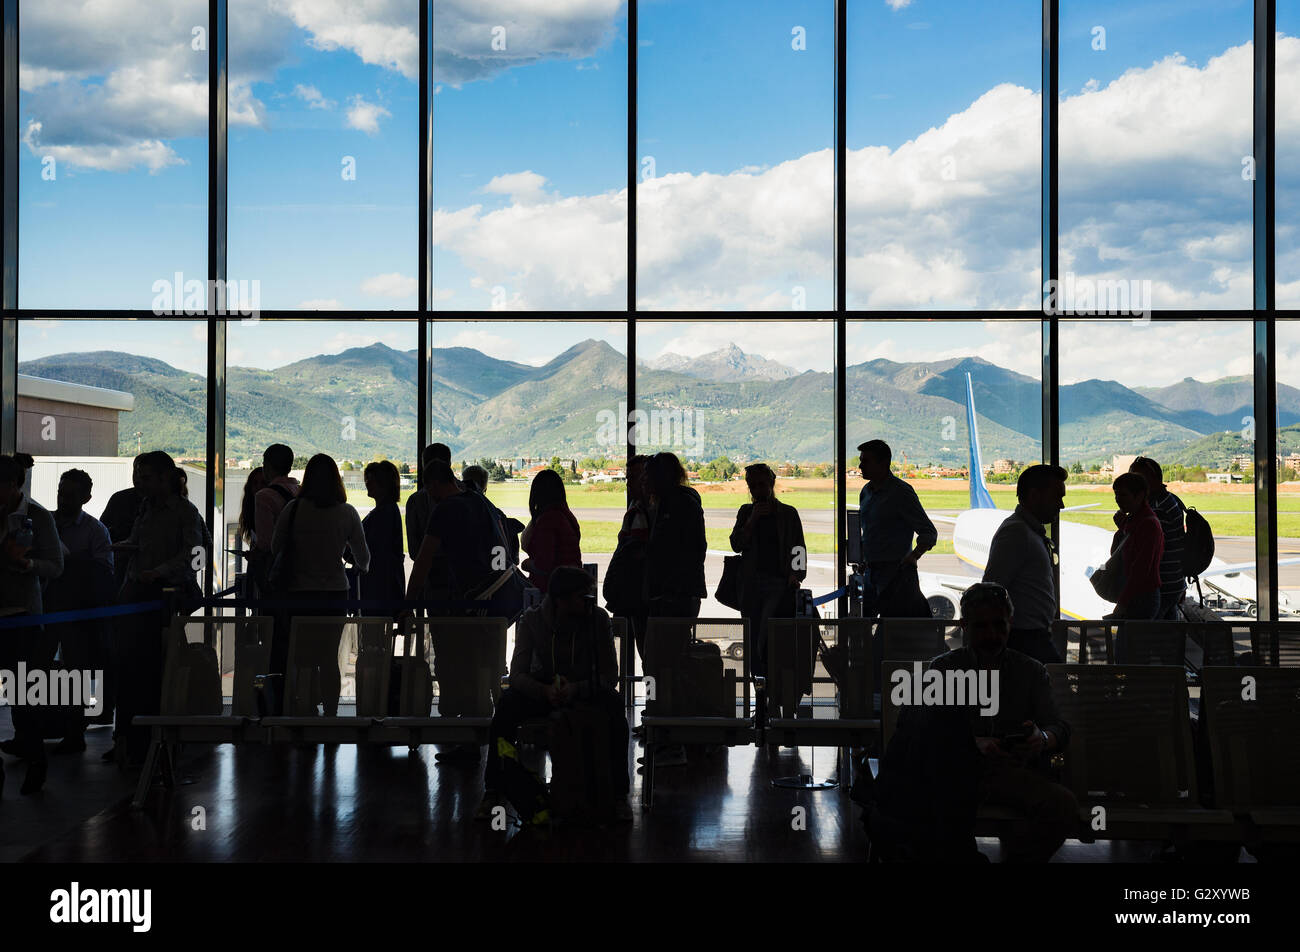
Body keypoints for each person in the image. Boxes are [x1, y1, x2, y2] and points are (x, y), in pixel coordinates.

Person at [874, 583, 1076, 863]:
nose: (992, 634)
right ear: (964, 626)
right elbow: (920, 724)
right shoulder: (948, 669)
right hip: (958, 774)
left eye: (998, 625)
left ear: (1010, 623)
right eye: (982, 627)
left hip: (978, 775)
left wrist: (1041, 738)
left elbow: (1058, 727)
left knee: (1061, 805)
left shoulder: (1022, 671)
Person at [478, 565, 631, 823]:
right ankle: (494, 788)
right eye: (581, 597)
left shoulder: (597, 620)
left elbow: (610, 676)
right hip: (546, 691)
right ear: (562, 600)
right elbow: (517, 675)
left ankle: (618, 795)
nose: (587, 602)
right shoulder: (532, 622)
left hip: (580, 689)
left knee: (616, 709)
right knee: (506, 709)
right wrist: (544, 691)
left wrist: (576, 688)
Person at [110, 451, 203, 765]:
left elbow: (194, 556)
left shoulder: (186, 513)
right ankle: (131, 739)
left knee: (158, 670)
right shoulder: (145, 508)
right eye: (138, 475)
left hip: (165, 598)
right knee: (131, 668)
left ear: (166, 478)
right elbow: (137, 544)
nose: (139, 482)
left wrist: (159, 571)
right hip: (139, 595)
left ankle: (158, 740)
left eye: (146, 476)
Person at [269, 454, 369, 716]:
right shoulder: (346, 512)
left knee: (301, 658)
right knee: (328, 657)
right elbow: (364, 559)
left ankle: (304, 706)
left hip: (298, 592)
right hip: (335, 593)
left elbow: (275, 546)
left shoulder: (293, 509)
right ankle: (332, 713)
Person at [0, 453, 64, 793]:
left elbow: (56, 565)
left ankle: (36, 759)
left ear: (13, 485)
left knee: (24, 697)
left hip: (22, 618)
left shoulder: (37, 517)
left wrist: (26, 566)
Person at [45, 469, 115, 755]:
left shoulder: (95, 530)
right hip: (51, 610)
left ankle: (73, 733)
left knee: (74, 673)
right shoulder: (52, 523)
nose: (64, 499)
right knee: (38, 670)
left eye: (70, 494)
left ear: (86, 497)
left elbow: (104, 572)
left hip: (73, 612)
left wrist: (67, 565)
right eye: (62, 493)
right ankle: (43, 730)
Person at [981, 464, 1067, 664]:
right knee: (1056, 687)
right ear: (1035, 496)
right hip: (1024, 638)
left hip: (1030, 636)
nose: (1061, 505)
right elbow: (992, 588)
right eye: (1057, 497)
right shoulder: (1016, 533)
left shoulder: (1028, 531)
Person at [728, 463, 806, 679]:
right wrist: (752, 521)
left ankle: (771, 692)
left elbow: (799, 548)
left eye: (761, 485)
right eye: (752, 486)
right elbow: (736, 544)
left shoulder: (788, 514)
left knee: (767, 639)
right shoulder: (746, 512)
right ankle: (762, 693)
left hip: (778, 585)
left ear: (772, 484)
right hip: (751, 585)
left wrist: (796, 576)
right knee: (753, 642)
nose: (757, 490)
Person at [856, 440, 936, 618]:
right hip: (870, 573)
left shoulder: (901, 493)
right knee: (868, 629)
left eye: (866, 461)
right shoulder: (866, 492)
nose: (860, 466)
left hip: (895, 577)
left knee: (894, 632)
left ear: (883, 463)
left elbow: (929, 532)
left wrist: (913, 557)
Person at [643, 452, 706, 619]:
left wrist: (671, 589)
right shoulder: (665, 504)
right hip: (672, 593)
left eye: (648, 475)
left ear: (662, 477)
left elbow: (694, 550)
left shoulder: (681, 505)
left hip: (676, 595)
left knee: (669, 642)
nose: (644, 480)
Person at [603, 455, 651, 661]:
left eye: (634, 477)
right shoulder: (636, 507)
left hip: (638, 595)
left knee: (645, 652)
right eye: (628, 478)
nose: (629, 483)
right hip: (632, 594)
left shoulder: (644, 509)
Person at [1129, 457, 1187, 619]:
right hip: (1173, 582)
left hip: (1163, 584)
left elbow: (1147, 547)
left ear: (1150, 480)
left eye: (1136, 480)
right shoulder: (1169, 499)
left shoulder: (1157, 509)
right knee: (1165, 635)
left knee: (1148, 637)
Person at [1108, 472, 1164, 622]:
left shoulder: (1148, 525)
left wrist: (1122, 603)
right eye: (1116, 496)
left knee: (1129, 644)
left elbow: (1140, 570)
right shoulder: (1135, 521)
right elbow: (1117, 553)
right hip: (1137, 594)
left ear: (1140, 495)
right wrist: (1122, 529)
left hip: (1142, 597)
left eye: (1123, 495)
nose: (1118, 501)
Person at [405, 443, 456, 604]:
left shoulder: (416, 501)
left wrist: (409, 603)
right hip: (466, 584)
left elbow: (415, 553)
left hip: (433, 582)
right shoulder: (472, 496)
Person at [520, 469, 581, 593]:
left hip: (551, 591)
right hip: (569, 588)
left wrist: (526, 564)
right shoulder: (567, 515)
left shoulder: (548, 519)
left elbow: (543, 565)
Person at [355, 460, 404, 605]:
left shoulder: (382, 514)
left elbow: (372, 550)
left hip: (377, 587)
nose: (367, 483)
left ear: (383, 484)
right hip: (383, 585)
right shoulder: (388, 510)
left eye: (371, 480)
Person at [254, 444, 299, 555]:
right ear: (289, 467)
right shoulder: (302, 491)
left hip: (280, 565)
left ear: (267, 466)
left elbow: (266, 543)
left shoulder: (264, 496)